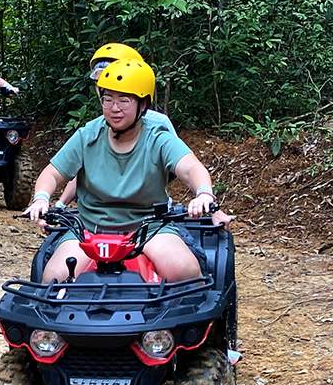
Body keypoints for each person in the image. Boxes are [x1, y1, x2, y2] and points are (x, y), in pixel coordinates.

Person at [24, 59, 224, 284]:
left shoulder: (157, 138)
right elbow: (52, 173)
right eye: (107, 99)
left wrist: (204, 193)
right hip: (90, 228)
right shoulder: (87, 135)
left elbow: (191, 168)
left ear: (142, 104)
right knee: (53, 277)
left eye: (124, 100)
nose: (114, 108)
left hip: (148, 227)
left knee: (184, 271)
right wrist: (41, 198)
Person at [56, 43, 174, 208]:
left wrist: (206, 198)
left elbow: (184, 167)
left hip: (146, 209)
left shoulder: (157, 126)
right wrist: (60, 204)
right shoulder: (97, 127)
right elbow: (85, 172)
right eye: (100, 83)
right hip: (102, 212)